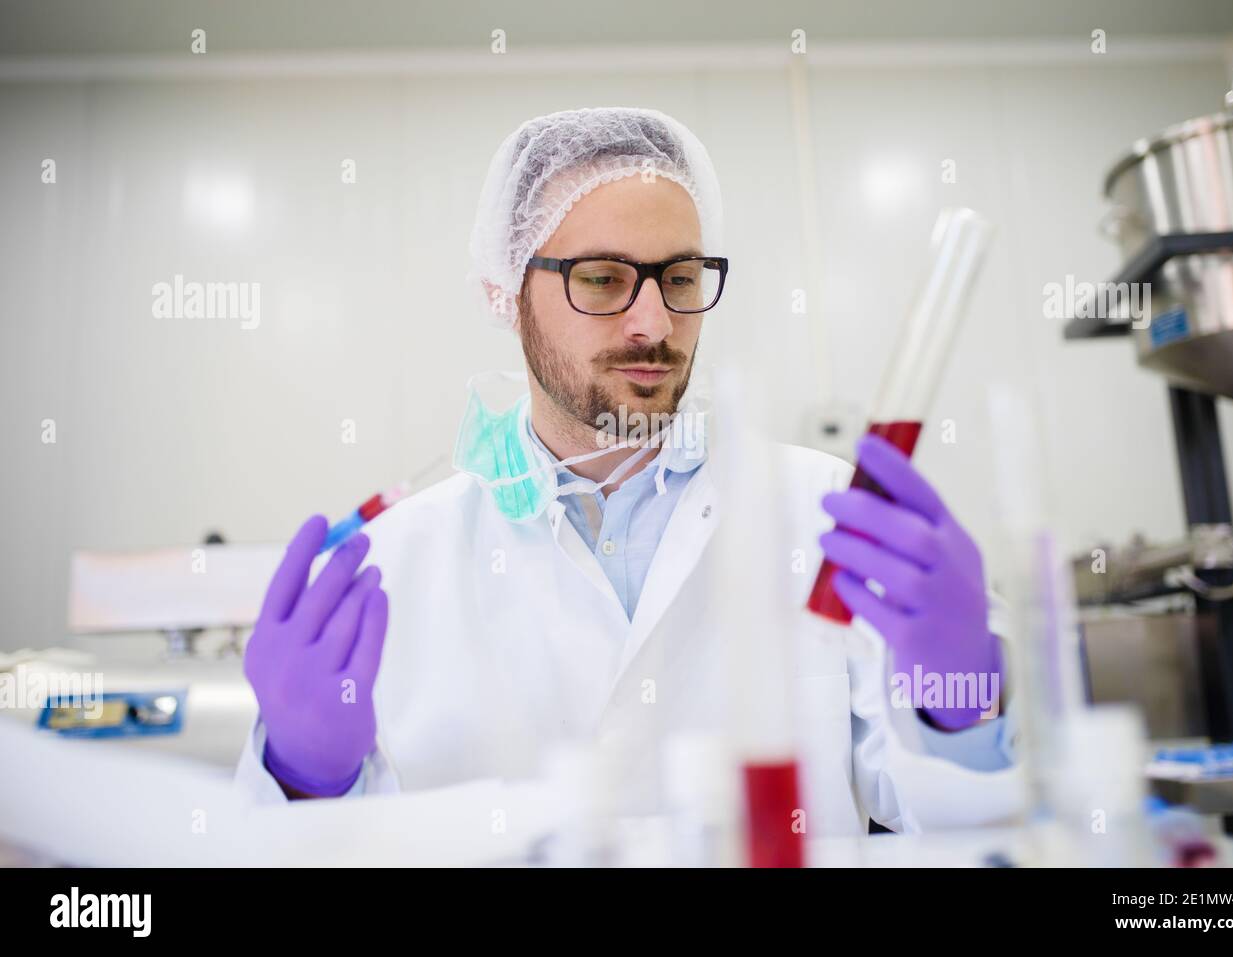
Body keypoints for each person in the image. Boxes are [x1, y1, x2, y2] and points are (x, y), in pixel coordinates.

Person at [237, 107, 1022, 835]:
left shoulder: (826, 512)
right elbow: (318, 851)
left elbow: (962, 831)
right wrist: (305, 779)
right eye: (604, 278)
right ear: (511, 293)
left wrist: (961, 698)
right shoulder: (393, 565)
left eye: (678, 279)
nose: (653, 323)